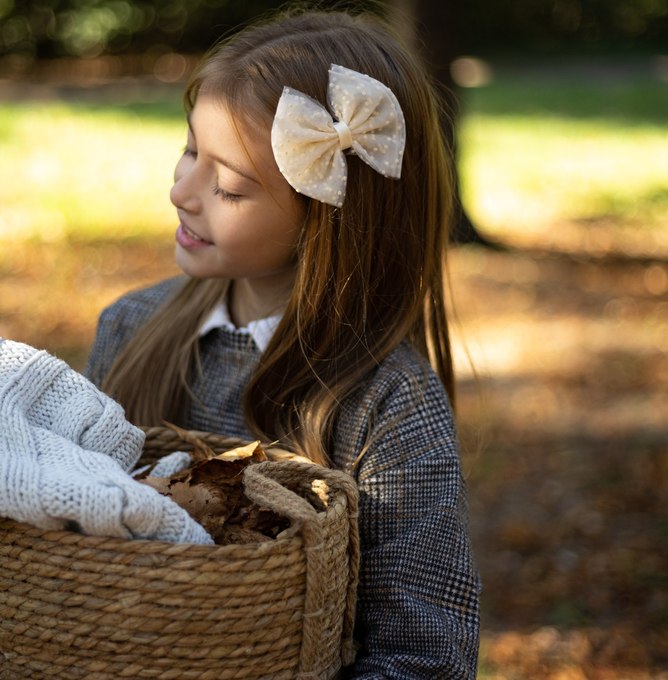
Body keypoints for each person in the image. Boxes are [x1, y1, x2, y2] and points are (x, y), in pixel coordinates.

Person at [85, 8, 481, 678]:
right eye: (189, 152)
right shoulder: (129, 329)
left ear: (330, 218)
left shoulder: (388, 403)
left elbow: (425, 655)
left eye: (230, 186)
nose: (180, 193)